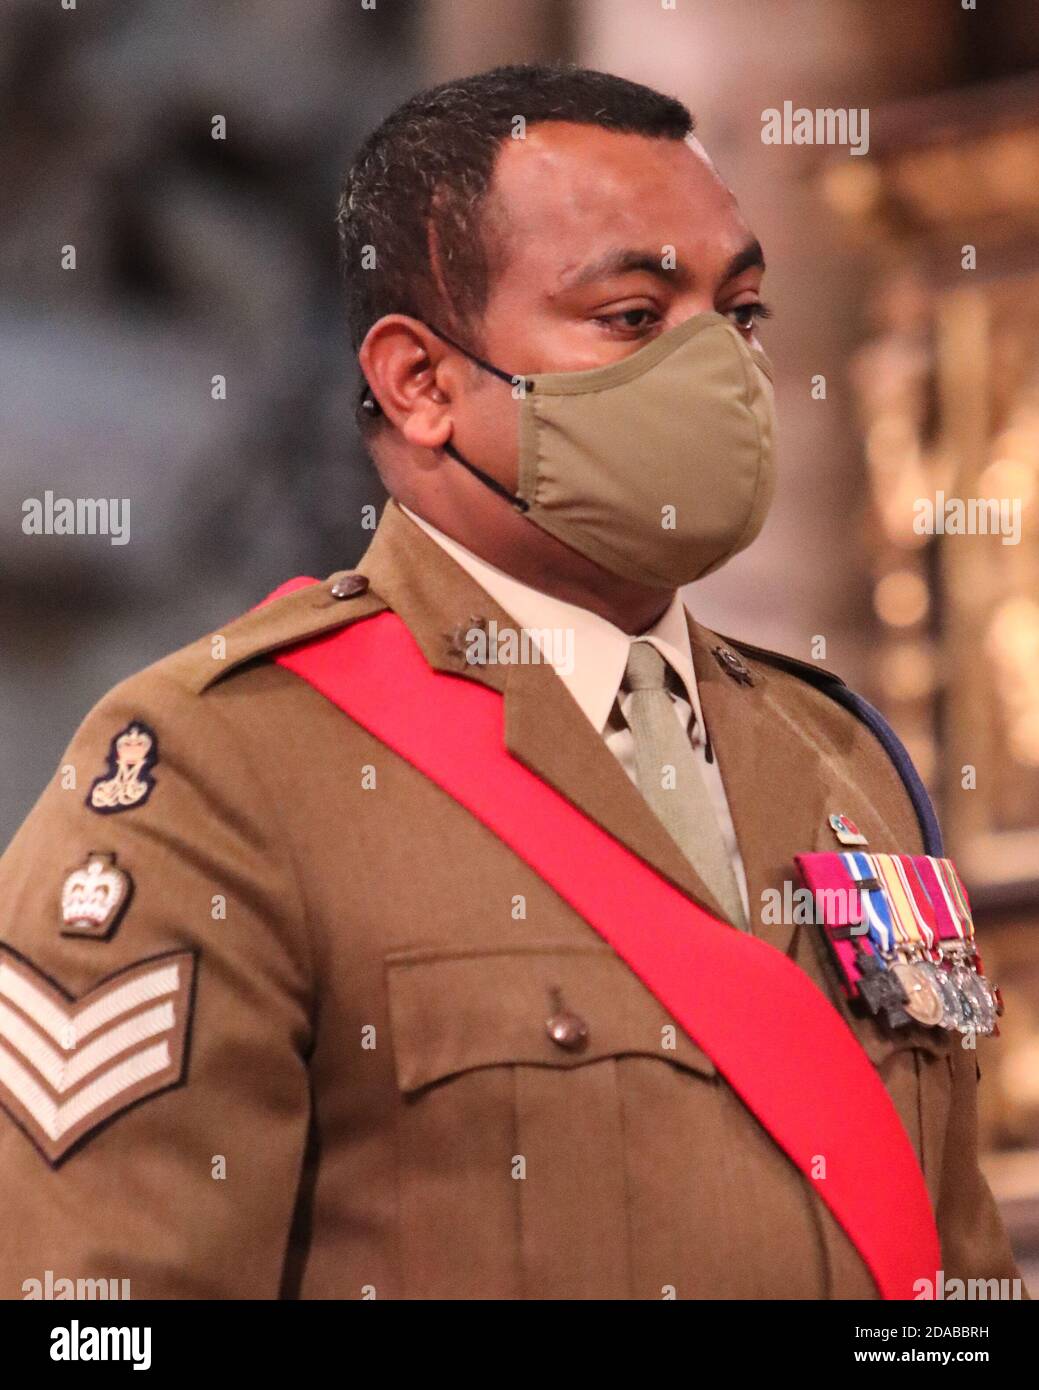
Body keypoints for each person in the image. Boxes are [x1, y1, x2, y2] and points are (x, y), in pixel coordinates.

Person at [0, 63, 1022, 1300]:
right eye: (635, 318)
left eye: (738, 314)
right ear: (420, 383)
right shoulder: (220, 777)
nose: (724, 375)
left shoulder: (840, 761)